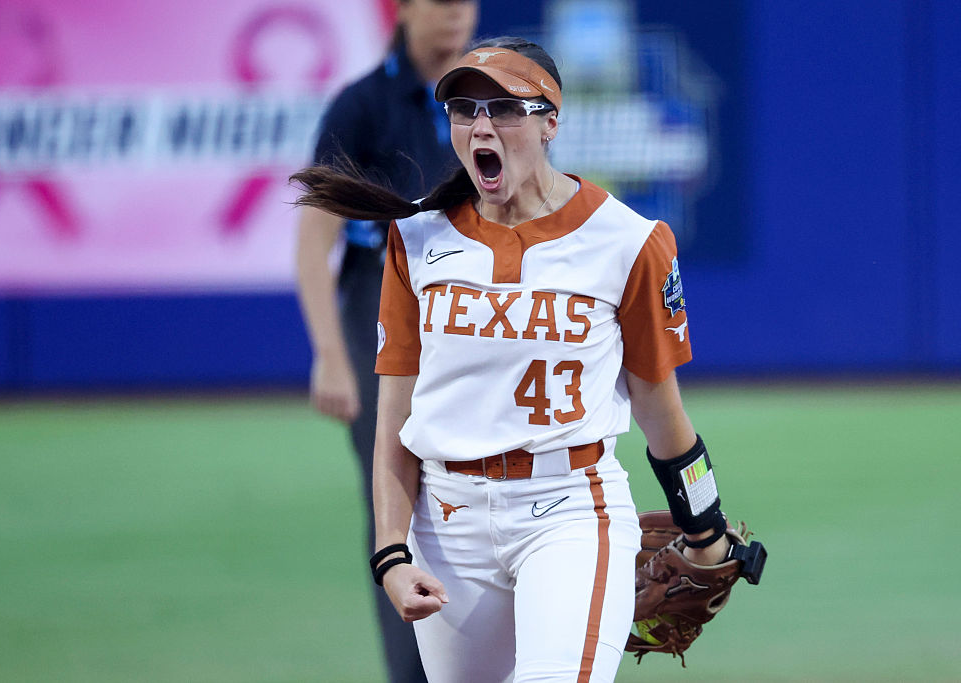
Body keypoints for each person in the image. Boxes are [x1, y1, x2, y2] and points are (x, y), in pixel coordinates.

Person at [293, 36, 734, 683]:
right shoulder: (416, 239)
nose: (481, 125)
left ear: (550, 121)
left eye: (503, 108)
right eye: (464, 109)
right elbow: (396, 420)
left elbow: (660, 411)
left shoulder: (628, 242)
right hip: (445, 525)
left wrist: (707, 526)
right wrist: (390, 553)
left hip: (571, 508)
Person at [293, 2, 477, 681]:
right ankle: (413, 671)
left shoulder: (484, 97)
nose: (456, 14)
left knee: (477, 491)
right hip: (377, 309)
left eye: (466, 1)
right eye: (441, 0)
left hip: (465, 311)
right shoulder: (363, 105)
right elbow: (314, 240)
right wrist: (330, 354)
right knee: (397, 502)